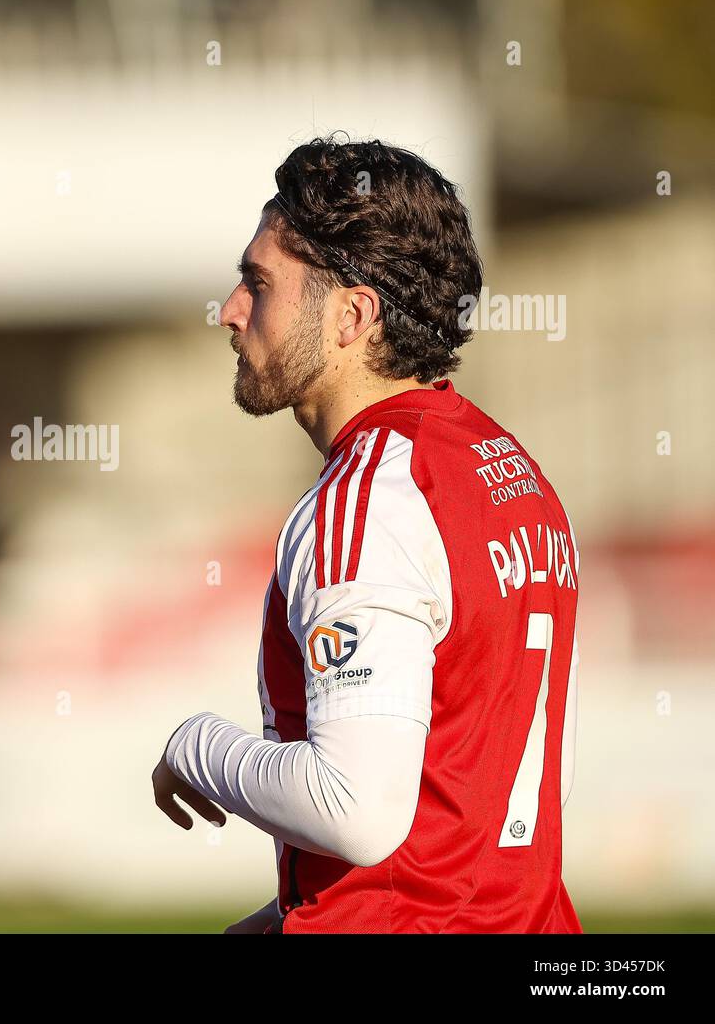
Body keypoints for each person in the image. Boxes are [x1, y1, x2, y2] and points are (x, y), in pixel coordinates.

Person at [152, 137, 580, 934]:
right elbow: (452, 818)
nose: (231, 309)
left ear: (352, 314)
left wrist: (195, 744)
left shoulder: (368, 497)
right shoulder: (511, 473)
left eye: (258, 282)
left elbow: (354, 808)